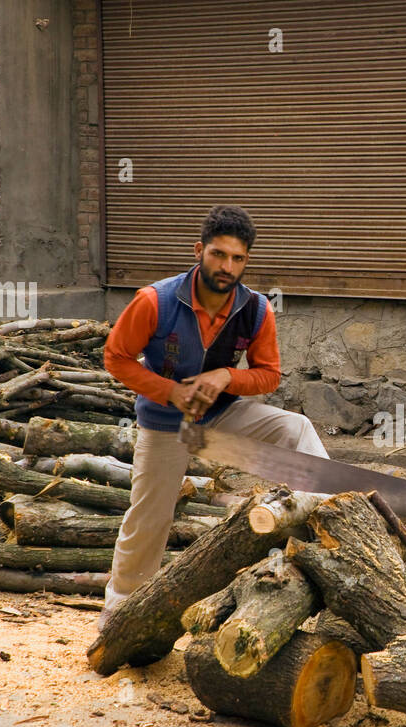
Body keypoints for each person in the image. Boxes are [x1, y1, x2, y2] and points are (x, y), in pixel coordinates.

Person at [100, 205, 328, 626]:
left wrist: (226, 376)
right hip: (167, 424)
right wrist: (170, 392)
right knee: (149, 518)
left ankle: (332, 519)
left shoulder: (257, 310)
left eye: (237, 259)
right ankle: (119, 615)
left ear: (246, 261)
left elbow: (269, 376)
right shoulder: (154, 301)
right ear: (199, 251)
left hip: (222, 418)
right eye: (218, 255)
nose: (226, 267)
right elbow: (116, 358)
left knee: (297, 428)